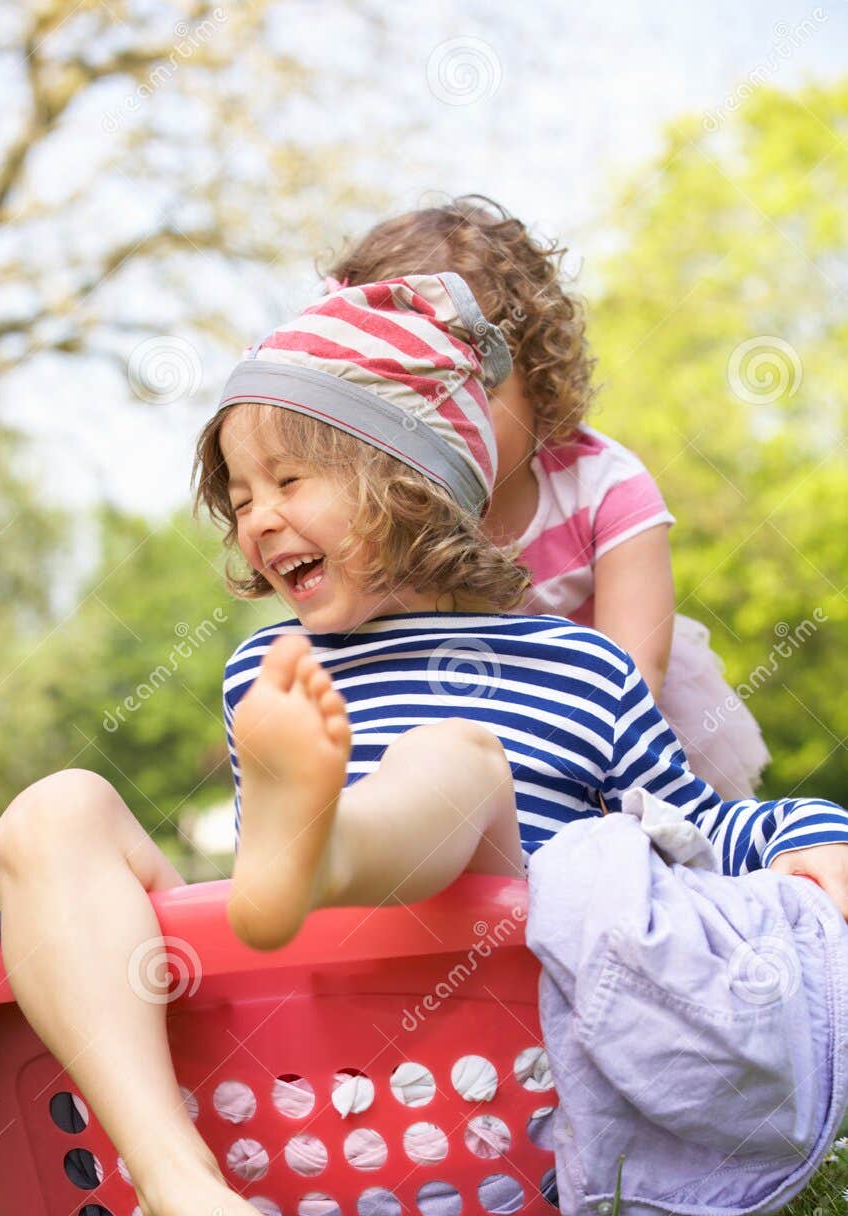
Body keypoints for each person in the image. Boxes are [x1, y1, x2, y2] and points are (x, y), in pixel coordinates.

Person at [0, 273, 848, 1216]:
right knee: (51, 810)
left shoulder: (577, 666)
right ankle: (182, 1191)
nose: (258, 520)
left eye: (289, 479)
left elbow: (693, 826)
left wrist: (814, 835)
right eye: (241, 497)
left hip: (494, 1123)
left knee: (457, 756)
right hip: (301, 1123)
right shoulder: (276, 669)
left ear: (409, 475)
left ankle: (318, 845)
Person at [328, 197, 771, 799]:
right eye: (414, 397)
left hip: (613, 742)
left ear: (539, 374)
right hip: (442, 741)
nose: (453, 422)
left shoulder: (603, 486)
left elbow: (632, 677)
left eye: (477, 386)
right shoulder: (382, 509)